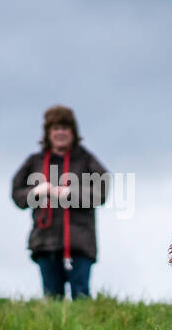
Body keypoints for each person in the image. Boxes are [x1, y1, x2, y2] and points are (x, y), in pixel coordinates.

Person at [11, 105, 109, 299]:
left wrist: (70, 193)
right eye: (56, 128)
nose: (61, 133)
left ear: (73, 132)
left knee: (81, 295)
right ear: (48, 133)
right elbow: (17, 194)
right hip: (45, 242)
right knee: (52, 298)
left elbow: (101, 191)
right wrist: (37, 192)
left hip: (80, 242)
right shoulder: (34, 162)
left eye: (65, 128)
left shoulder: (86, 160)